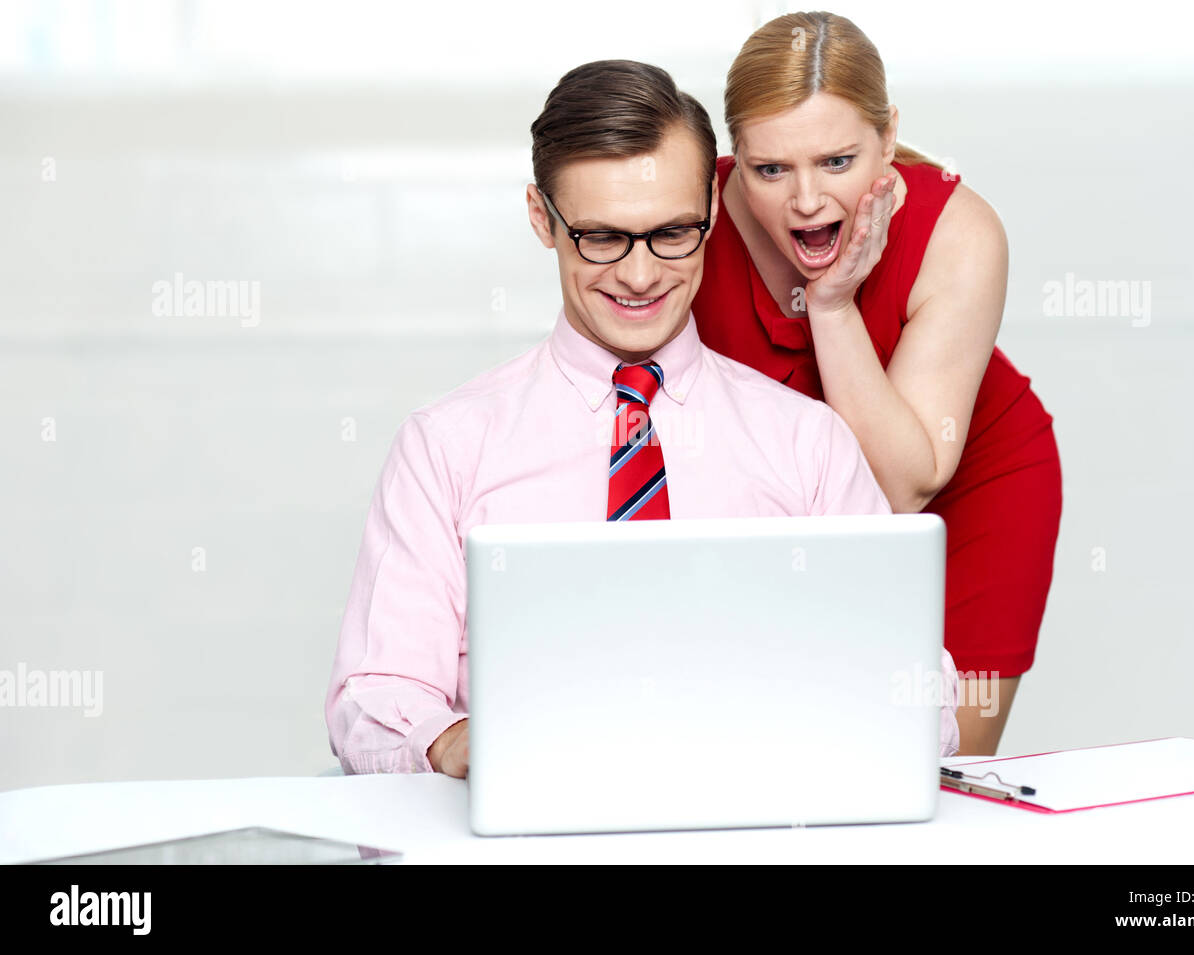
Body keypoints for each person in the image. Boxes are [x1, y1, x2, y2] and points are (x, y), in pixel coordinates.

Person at [324, 59, 960, 778]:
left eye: (671, 234)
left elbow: (926, 697)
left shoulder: (805, 443)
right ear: (542, 217)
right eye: (601, 237)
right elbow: (373, 700)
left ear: (713, 215)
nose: (638, 274)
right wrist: (455, 743)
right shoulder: (445, 447)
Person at [692, 11, 1063, 755]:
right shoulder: (689, 222)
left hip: (959, 492)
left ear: (888, 137)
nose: (805, 200)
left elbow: (900, 489)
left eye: (837, 161)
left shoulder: (961, 232)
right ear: (734, 158)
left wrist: (831, 306)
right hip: (775, 515)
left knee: (928, 772)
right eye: (771, 170)